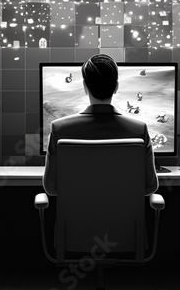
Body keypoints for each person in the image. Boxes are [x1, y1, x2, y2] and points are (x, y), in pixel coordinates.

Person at [43, 54, 158, 196]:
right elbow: (150, 187)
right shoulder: (139, 129)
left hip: (77, 218)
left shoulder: (59, 128)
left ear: (85, 87)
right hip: (124, 218)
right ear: (116, 87)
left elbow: (50, 188)